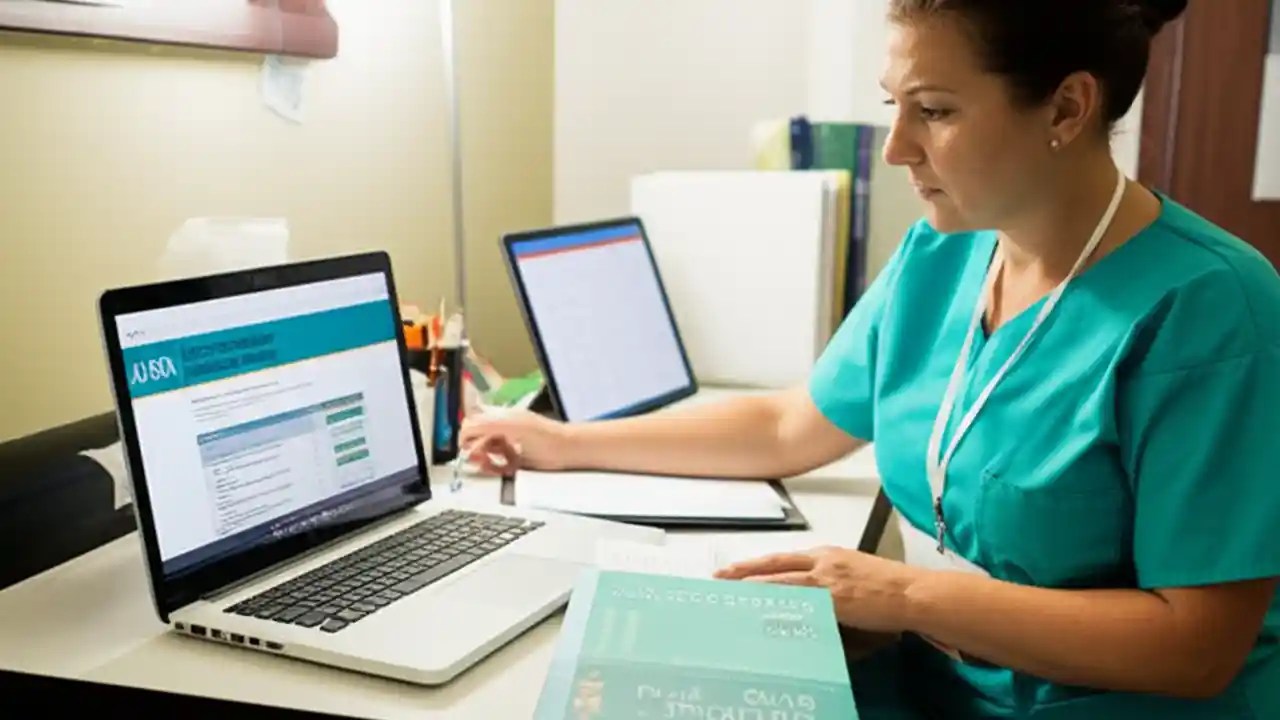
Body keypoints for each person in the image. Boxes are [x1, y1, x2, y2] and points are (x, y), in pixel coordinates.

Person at [460, 0, 1280, 716]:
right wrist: (565, 443)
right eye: (894, 105)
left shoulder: (1211, 308)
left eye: (935, 111)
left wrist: (905, 595)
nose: (895, 148)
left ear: (1066, 107)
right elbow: (790, 425)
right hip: (937, 687)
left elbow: (1196, 646)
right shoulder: (943, 254)